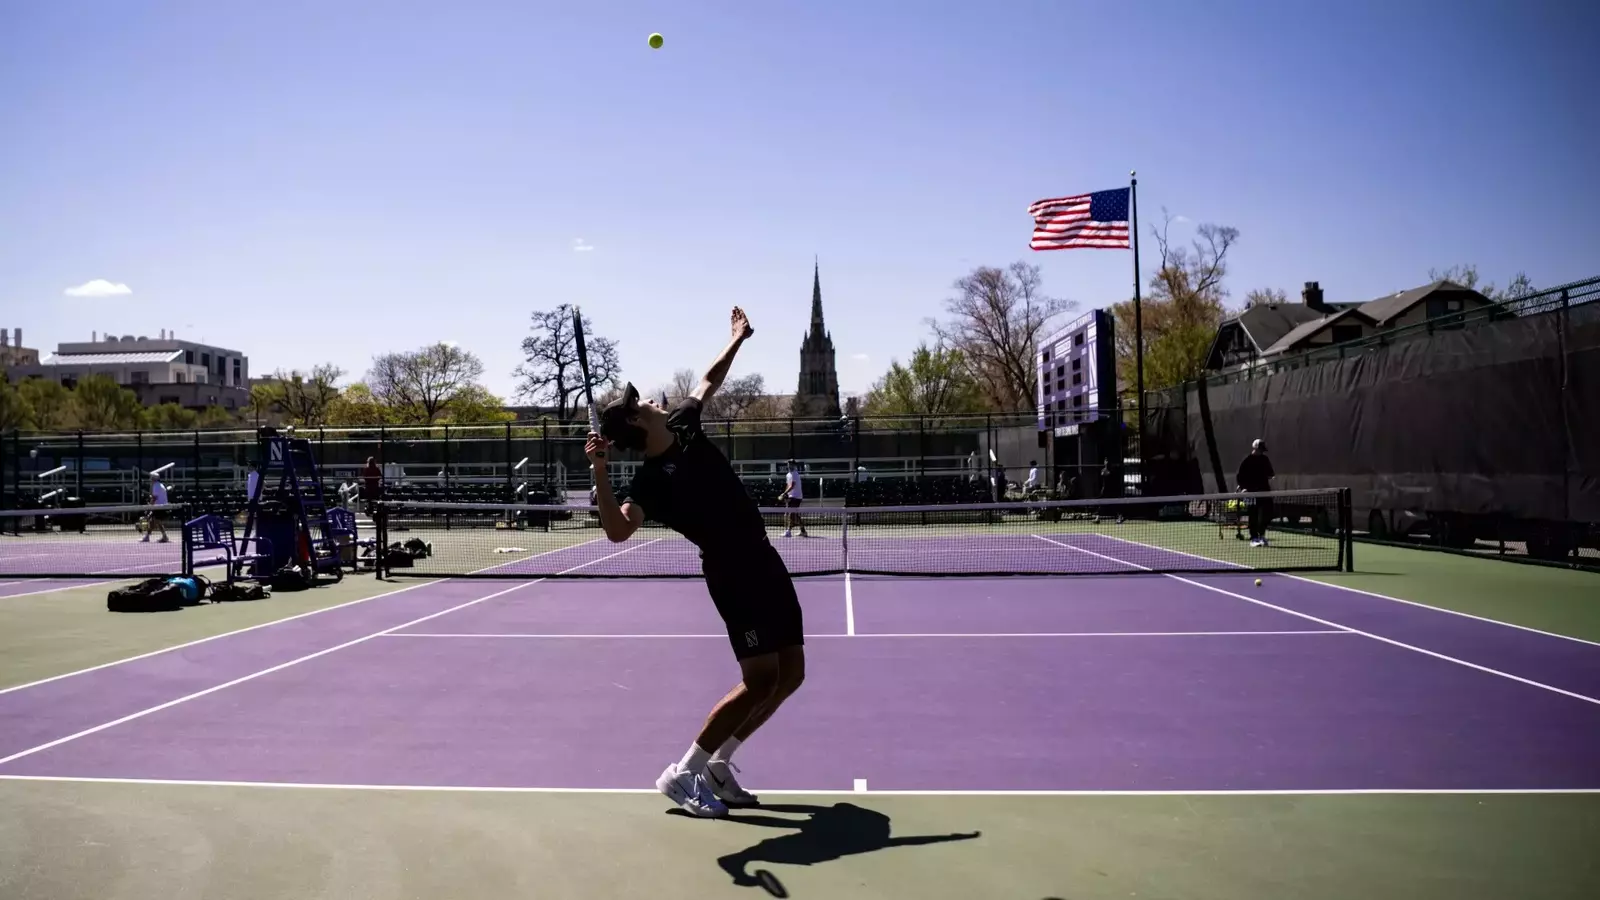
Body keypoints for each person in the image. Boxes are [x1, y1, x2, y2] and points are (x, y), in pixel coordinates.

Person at [588, 306, 804, 819]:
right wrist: (599, 472)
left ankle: (719, 765)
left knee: (791, 673)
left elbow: (710, 379)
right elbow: (618, 531)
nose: (653, 399)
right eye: (642, 401)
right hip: (733, 573)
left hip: (763, 558)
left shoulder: (683, 424)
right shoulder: (647, 483)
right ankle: (682, 772)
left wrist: (737, 339)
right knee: (760, 680)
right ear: (638, 419)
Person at [1236, 438, 1276, 547]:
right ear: (1254, 448)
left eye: (1262, 450)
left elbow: (1270, 473)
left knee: (1267, 512)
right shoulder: (1247, 460)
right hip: (1251, 492)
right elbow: (1240, 476)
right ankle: (1254, 538)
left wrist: (1271, 477)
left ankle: (1261, 535)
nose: (1261, 452)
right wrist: (1244, 487)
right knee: (1253, 514)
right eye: (1259, 449)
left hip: (1264, 491)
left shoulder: (1265, 459)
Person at [141, 473, 170, 543]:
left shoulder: (156, 486)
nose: (150, 480)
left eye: (151, 478)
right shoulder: (160, 485)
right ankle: (164, 536)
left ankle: (148, 537)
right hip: (160, 507)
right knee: (156, 522)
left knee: (154, 522)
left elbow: (154, 498)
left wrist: (149, 506)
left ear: (153, 479)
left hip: (159, 507)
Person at [782, 459, 808, 538]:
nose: (789, 465)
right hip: (791, 497)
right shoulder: (788, 475)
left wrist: (784, 493)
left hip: (796, 496)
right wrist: (785, 494)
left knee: (792, 514)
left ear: (794, 465)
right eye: (788, 464)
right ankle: (803, 531)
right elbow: (788, 485)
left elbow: (792, 485)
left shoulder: (795, 474)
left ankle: (788, 531)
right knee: (795, 515)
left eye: (791, 464)